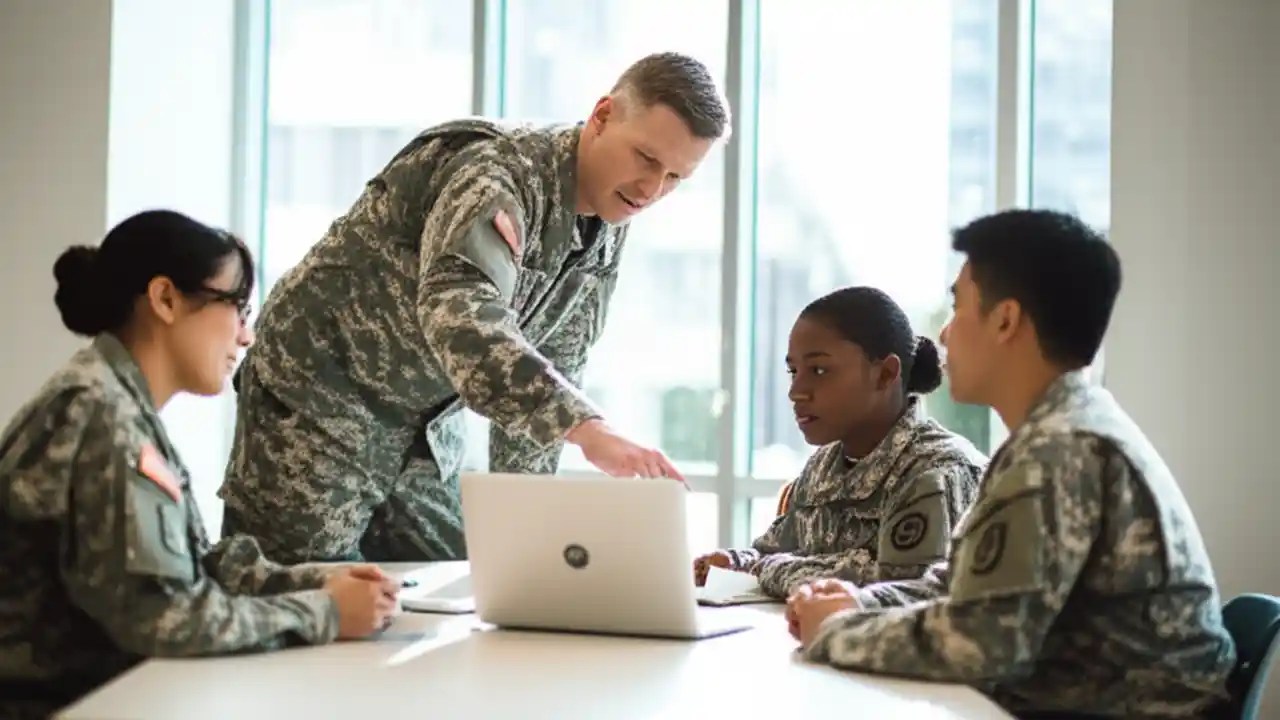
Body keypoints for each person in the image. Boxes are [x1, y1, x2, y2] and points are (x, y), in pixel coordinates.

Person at [218, 52, 730, 564]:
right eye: (645, 157)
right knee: (303, 598)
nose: (651, 189)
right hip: (318, 401)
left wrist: (535, 533)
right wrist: (588, 428)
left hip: (418, 430)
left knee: (476, 576)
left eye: (675, 177)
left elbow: (556, 358)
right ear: (601, 115)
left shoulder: (609, 219)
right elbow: (462, 317)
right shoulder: (497, 173)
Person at [786, 210, 1236, 719]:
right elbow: (962, 588)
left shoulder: (1059, 450)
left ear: (1005, 320)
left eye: (958, 308)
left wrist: (836, 630)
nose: (946, 334)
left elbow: (981, 645)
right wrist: (860, 604)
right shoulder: (1060, 429)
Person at [0, 211, 399, 718]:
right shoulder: (102, 416)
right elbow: (166, 620)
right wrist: (326, 612)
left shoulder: (115, 401)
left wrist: (320, 582)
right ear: (165, 299)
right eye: (236, 307)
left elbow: (192, 570)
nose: (246, 336)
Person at [693, 287, 986, 599]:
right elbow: (771, 551)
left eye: (819, 370)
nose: (796, 391)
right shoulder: (822, 465)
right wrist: (734, 563)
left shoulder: (937, 472)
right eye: (794, 371)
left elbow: (898, 593)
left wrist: (765, 569)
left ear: (885, 374)